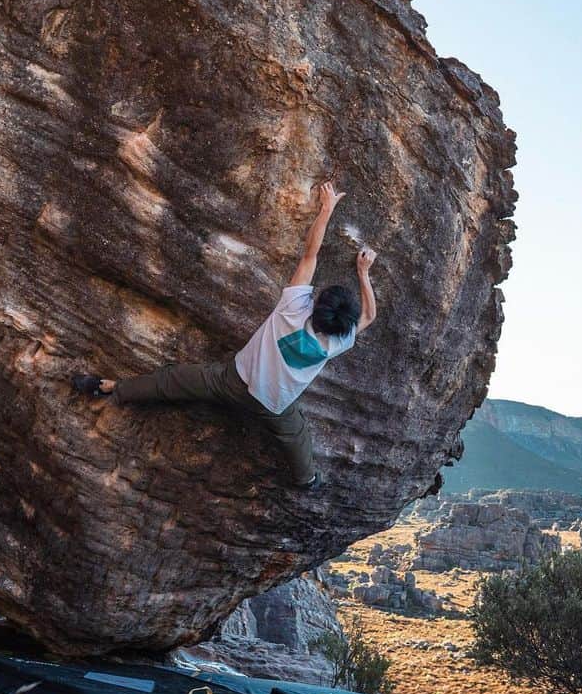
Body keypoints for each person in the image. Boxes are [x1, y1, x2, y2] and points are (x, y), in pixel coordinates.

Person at [72, 181, 377, 488]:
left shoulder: (293, 308)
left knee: (172, 381)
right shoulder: (338, 342)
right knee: (296, 437)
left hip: (232, 382)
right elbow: (369, 316)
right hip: (273, 405)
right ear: (343, 326)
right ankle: (307, 479)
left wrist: (326, 209)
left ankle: (113, 388)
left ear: (317, 304)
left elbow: (310, 256)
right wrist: (364, 274)